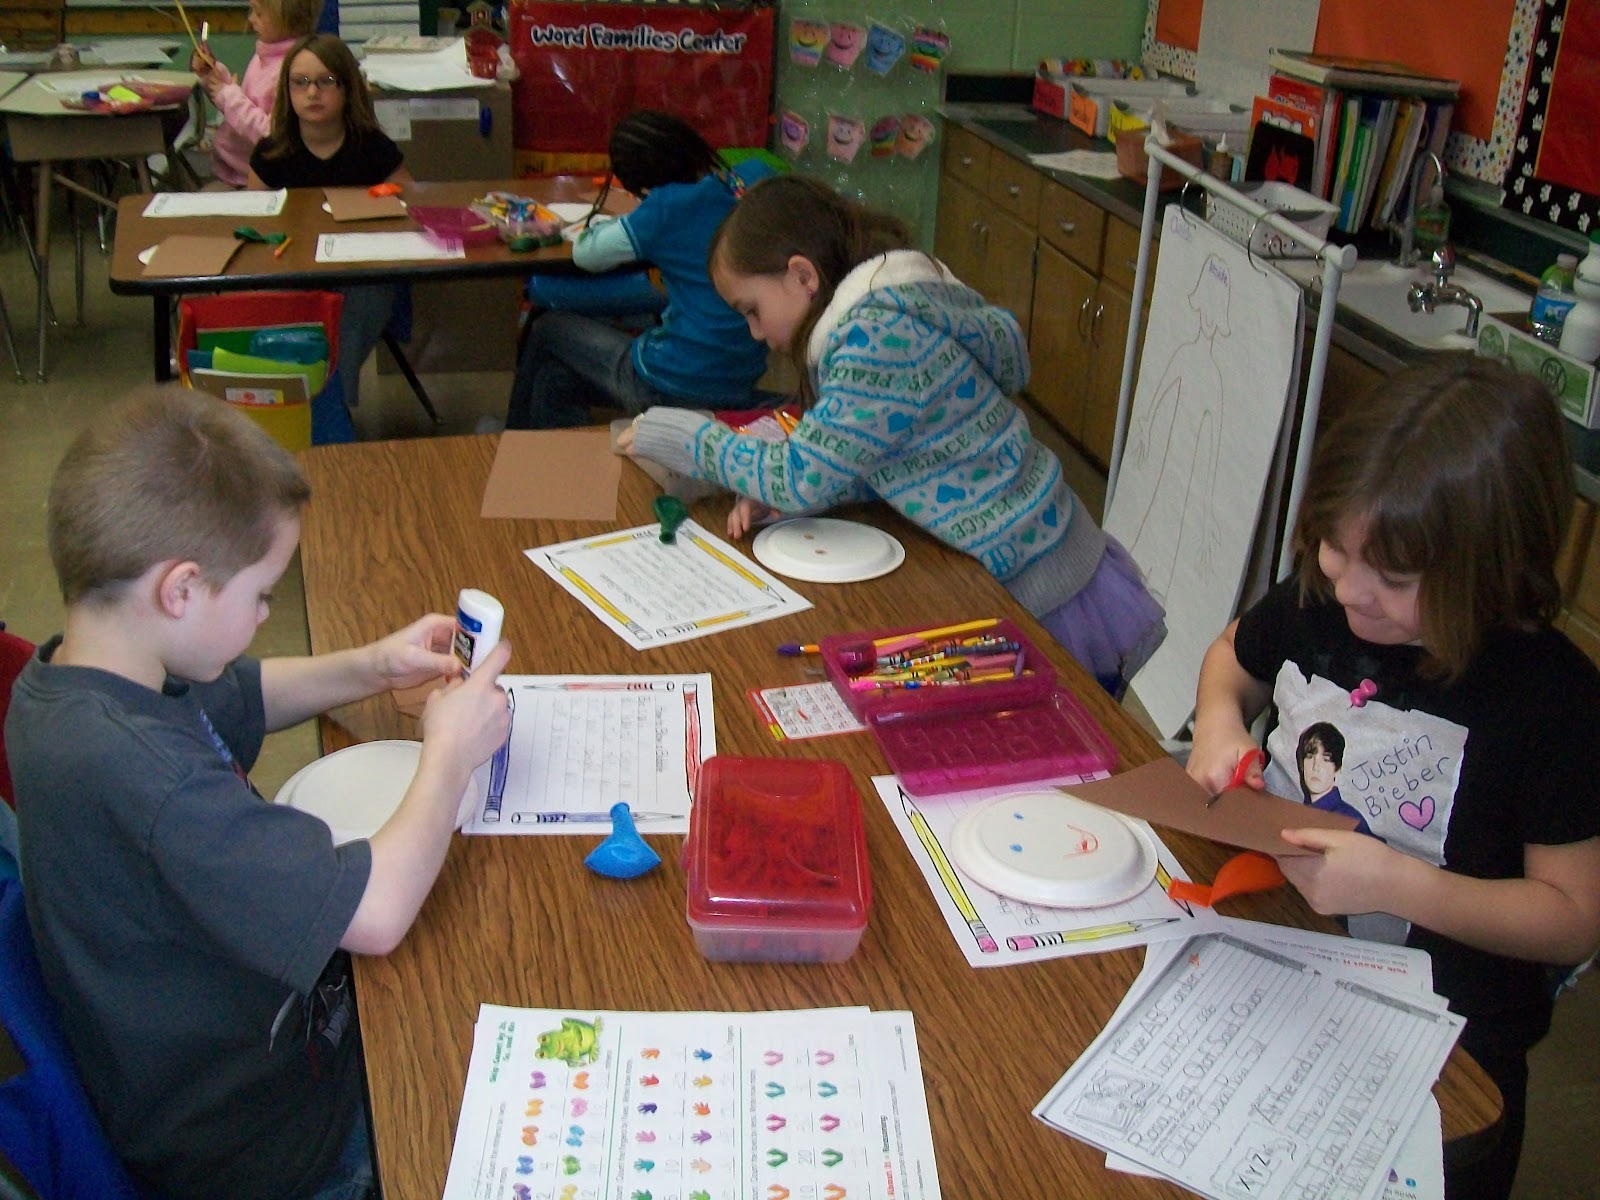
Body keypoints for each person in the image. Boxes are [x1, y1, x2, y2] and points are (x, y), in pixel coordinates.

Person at [5, 387, 513, 1200]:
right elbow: (377, 912)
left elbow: (244, 690)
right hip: (271, 1149)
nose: (269, 613)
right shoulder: (150, 782)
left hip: (218, 1066)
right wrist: (448, 754)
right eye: (261, 595)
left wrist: (370, 667)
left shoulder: (81, 677)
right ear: (180, 590)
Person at [1186, 353, 1600, 1200]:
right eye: (1335, 549)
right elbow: (1233, 658)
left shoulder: (1552, 699)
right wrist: (1222, 722)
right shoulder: (1322, 597)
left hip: (1448, 1045)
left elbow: (1571, 920)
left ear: (1494, 571)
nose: (1350, 594)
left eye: (1395, 581)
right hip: (1284, 962)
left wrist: (1403, 886)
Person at [618, 173, 1165, 696]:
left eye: (753, 311)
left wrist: (687, 436)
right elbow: (885, 454)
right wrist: (811, 488)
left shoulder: (872, 338)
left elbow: (797, 477)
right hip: (1044, 557)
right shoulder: (884, 312)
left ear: (803, 277)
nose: (756, 332)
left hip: (1048, 593)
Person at [505, 109, 776, 430]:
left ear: (643, 186)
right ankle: (550, 445)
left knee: (546, 326)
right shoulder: (755, 178)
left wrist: (634, 215)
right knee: (555, 377)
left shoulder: (664, 209)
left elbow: (586, 254)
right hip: (738, 374)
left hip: (674, 381)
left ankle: (512, 437)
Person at [247, 33, 411, 410]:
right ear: (287, 91)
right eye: (300, 82)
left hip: (359, 271)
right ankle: (291, 402)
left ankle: (333, 405)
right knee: (271, 301)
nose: (312, 93)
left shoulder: (373, 147)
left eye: (326, 82)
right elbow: (253, 224)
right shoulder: (270, 154)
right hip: (291, 269)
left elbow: (408, 204)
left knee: (363, 302)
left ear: (347, 88)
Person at [190, 0, 319, 188]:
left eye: (259, 13)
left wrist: (227, 95)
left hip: (256, 181)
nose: (250, 19)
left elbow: (272, 135)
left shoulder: (294, 69)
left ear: (289, 20)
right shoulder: (264, 55)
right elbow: (247, 107)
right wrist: (213, 76)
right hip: (233, 171)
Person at [1294, 721, 1371, 835]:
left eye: (1325, 760)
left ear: (1337, 768)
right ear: (1302, 765)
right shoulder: (1299, 811)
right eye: (1310, 757)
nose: (1316, 767)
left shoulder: (1350, 820)